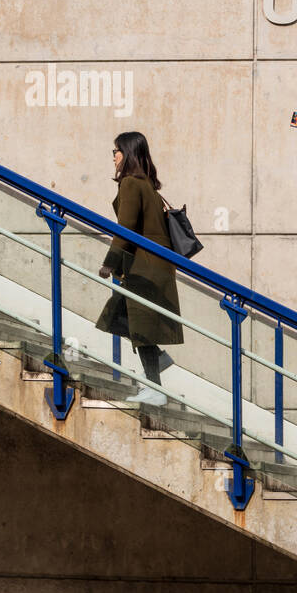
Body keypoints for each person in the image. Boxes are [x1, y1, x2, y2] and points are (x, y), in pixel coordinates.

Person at [94, 132, 184, 404]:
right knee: (121, 319)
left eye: (117, 151)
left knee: (140, 328)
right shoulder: (148, 186)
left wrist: (109, 263)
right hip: (152, 268)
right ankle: (157, 367)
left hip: (142, 270)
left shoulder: (132, 184)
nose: (114, 156)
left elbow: (126, 230)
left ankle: (155, 389)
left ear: (129, 153)